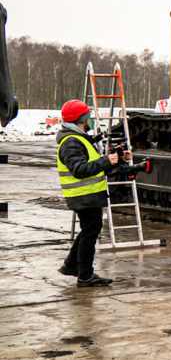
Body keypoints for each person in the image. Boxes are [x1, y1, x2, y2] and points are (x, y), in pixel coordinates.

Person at [55, 99, 119, 287]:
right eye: (88, 116)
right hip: (83, 195)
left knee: (89, 230)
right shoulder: (71, 142)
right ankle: (85, 275)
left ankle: (72, 266)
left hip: (88, 195)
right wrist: (106, 161)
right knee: (90, 232)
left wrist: (115, 160)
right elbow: (79, 169)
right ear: (81, 119)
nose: (90, 120)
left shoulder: (78, 139)